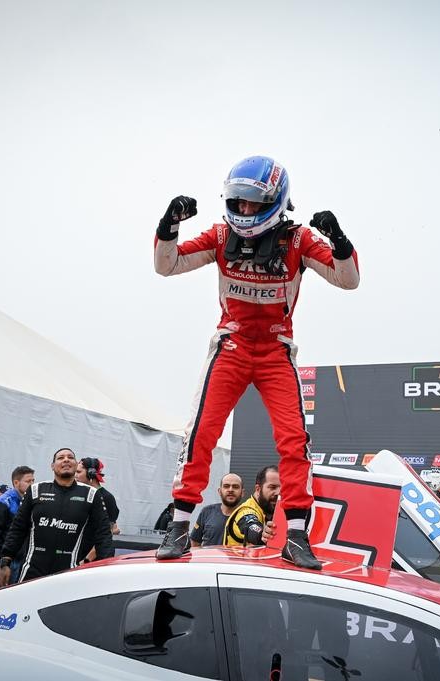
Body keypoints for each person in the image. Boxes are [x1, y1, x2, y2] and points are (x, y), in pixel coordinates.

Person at [153, 155, 359, 570]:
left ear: (277, 201)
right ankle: (178, 527)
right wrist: (168, 225)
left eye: (254, 203)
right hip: (230, 347)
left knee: (294, 440)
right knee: (201, 433)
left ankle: (296, 535)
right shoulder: (218, 233)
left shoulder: (299, 240)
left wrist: (338, 240)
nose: (245, 210)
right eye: (239, 201)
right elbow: (166, 265)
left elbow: (348, 279)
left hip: (275, 351)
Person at [0, 448, 112, 586]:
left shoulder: (92, 494)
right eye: (61, 458)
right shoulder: (36, 490)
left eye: (70, 457)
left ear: (76, 464)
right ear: (52, 466)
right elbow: (18, 528)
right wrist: (5, 560)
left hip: (69, 572)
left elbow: (103, 534)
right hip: (32, 571)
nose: (66, 459)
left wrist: (107, 568)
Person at [0, 465, 34, 590]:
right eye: (28, 481)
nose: (32, 484)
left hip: (15, 560)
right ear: (16, 483)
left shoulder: (25, 502)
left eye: (33, 481)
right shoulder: (2, 502)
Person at [224, 466, 280, 547]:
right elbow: (251, 526)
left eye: (282, 488)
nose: (278, 492)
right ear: (258, 489)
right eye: (272, 487)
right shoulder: (245, 511)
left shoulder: (268, 510)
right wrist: (262, 533)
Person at [75, 457, 117, 562]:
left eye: (79, 472)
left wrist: (86, 560)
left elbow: (107, 534)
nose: (75, 475)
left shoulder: (107, 497)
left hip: (95, 558)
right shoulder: (80, 494)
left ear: (91, 474)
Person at [192, 473, 244, 547]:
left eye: (235, 487)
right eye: (226, 486)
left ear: (242, 493)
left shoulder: (248, 516)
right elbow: (194, 544)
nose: (230, 490)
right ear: (219, 491)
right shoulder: (207, 512)